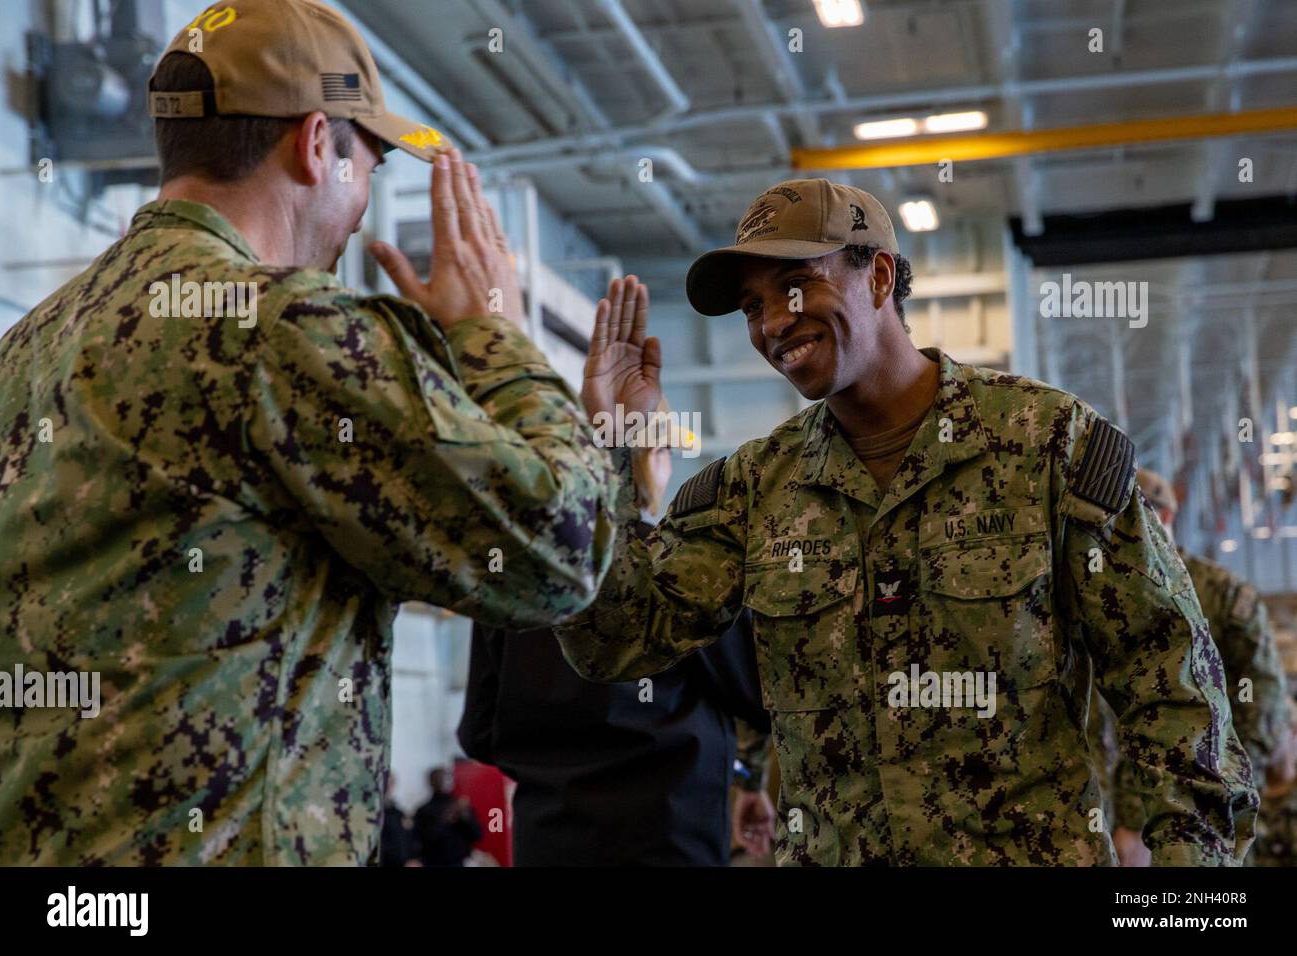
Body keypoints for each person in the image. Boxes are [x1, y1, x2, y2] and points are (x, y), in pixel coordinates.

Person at [0, 0, 615, 865]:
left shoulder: (26, 348)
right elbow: (562, 549)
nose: (362, 202)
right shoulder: (288, 331)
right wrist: (492, 337)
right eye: (366, 161)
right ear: (317, 142)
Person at [556, 177, 1258, 866]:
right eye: (751, 306)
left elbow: (1170, 679)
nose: (772, 323)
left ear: (879, 276)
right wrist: (609, 448)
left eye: (795, 286)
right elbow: (615, 641)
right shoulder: (752, 489)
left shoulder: (1046, 444)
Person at [458, 404, 774, 865]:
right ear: (646, 460)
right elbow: (761, 692)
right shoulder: (679, 564)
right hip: (670, 836)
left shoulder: (510, 578)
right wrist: (746, 776)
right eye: (663, 448)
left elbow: (479, 732)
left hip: (549, 838)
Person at [1104, 469, 1291, 865]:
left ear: (1164, 517)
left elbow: (1264, 698)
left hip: (1211, 804)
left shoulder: (1222, 593)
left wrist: (1232, 788)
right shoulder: (1108, 596)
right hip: (1127, 807)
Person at [413, 767, 483, 867]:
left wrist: (465, 817)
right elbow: (421, 840)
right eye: (439, 778)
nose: (444, 781)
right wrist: (446, 819)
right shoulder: (424, 811)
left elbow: (477, 835)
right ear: (431, 782)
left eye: (447, 778)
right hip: (434, 864)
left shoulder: (461, 806)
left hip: (461, 863)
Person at [380, 773, 420, 867]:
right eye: (385, 783)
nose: (388, 787)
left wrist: (413, 859)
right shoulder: (371, 814)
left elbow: (409, 840)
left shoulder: (399, 813)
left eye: (391, 783)